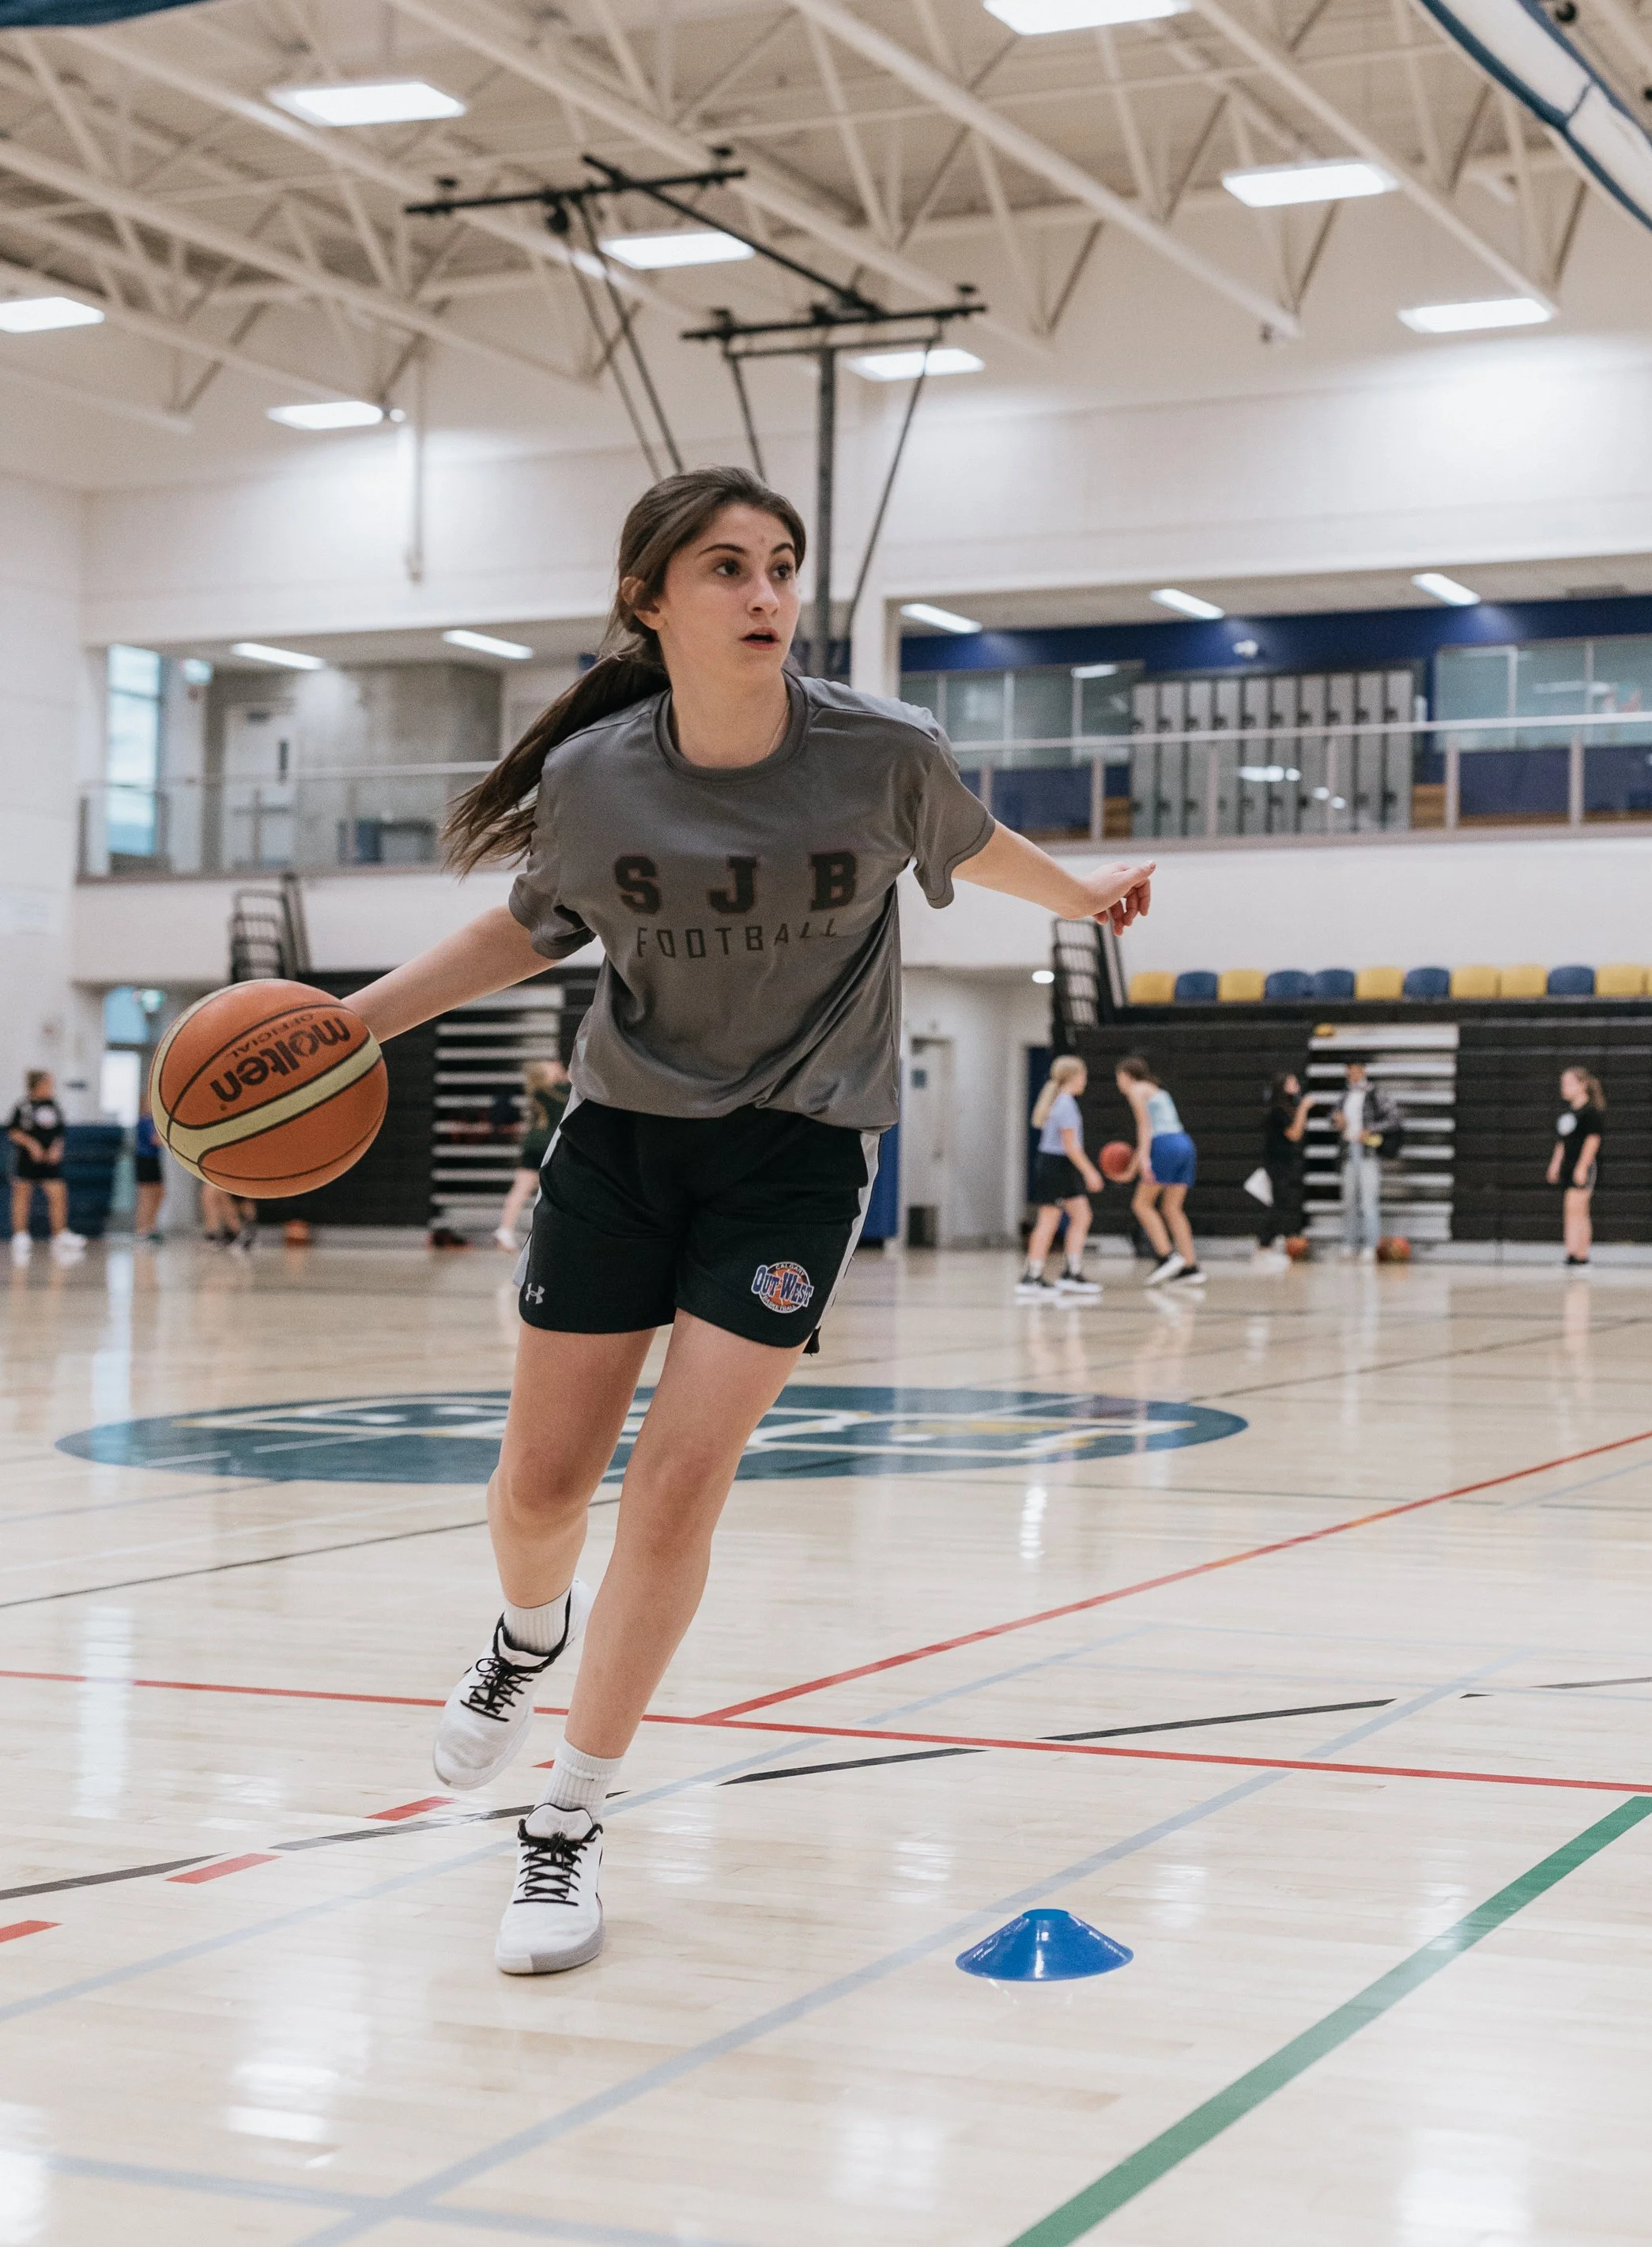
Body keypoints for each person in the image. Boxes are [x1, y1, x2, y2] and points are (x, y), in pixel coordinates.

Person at [339, 467, 1155, 1979]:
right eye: (728, 570)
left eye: (782, 567)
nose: (768, 595)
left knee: (674, 1491)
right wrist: (358, 1023)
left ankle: (570, 1819)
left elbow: (972, 846)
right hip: (625, 1141)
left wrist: (1088, 895)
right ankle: (525, 1640)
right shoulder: (597, 778)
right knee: (539, 1489)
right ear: (650, 602)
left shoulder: (881, 753)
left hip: (796, 1156)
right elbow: (526, 929)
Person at [1020, 1054, 1103, 1302]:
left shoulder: (1063, 1101)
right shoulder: (1065, 1104)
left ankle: (1072, 1272)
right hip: (1056, 1165)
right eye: (1083, 1075)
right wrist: (1090, 1171)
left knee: (1082, 1215)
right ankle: (1032, 1276)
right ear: (1074, 1076)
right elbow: (1071, 1147)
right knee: (1049, 1219)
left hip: (1061, 1166)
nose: (1085, 1080)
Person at [1115, 1054, 1201, 1288]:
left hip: (1163, 1145)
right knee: (1173, 1208)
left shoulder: (1136, 1090)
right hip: (1184, 1144)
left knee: (1141, 1205)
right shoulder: (1157, 1089)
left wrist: (1142, 1160)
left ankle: (1167, 1256)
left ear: (1126, 1076)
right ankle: (1190, 1267)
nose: (1118, 1085)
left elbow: (1145, 1127)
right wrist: (1132, 1169)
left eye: (1118, 1079)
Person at [495, 1058, 569, 1253]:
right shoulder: (553, 1091)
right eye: (550, 1066)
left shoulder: (541, 1091)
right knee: (547, 1190)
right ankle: (507, 1231)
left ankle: (505, 1230)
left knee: (522, 1188)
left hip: (534, 1144)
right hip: (545, 1146)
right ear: (545, 1075)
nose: (557, 1065)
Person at [9, 1072, 84, 1264]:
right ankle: (20, 1235)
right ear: (37, 1085)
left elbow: (60, 1132)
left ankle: (60, 1234)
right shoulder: (23, 1106)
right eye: (48, 1084)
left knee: (58, 1192)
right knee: (22, 1194)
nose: (51, 1088)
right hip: (27, 1160)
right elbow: (13, 1131)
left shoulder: (53, 1106)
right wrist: (31, 1144)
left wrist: (56, 1149)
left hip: (50, 1161)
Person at [1332, 1060, 1399, 1258]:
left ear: (1363, 1071)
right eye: (1349, 1072)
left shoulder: (1375, 1094)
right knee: (1349, 1200)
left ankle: (1371, 1244)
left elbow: (1394, 1118)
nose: (1352, 1076)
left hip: (1368, 1150)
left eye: (1355, 1071)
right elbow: (1333, 1118)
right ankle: (1349, 1242)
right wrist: (1338, 1122)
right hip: (1348, 1150)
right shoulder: (1345, 1096)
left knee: (1369, 1200)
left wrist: (1370, 1130)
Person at [1548, 1064, 1605, 1267]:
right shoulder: (1568, 1113)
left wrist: (1582, 1167)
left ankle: (1580, 1255)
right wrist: (1555, 1164)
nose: (1564, 1087)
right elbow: (1562, 1142)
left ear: (1582, 1085)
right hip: (1568, 1166)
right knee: (1571, 1209)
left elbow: (1593, 1141)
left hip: (1583, 1167)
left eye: (1569, 1083)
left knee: (1578, 1209)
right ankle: (1573, 1253)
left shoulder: (1591, 1113)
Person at [1259, 1069, 1312, 1255]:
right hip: (1277, 1162)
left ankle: (1271, 1240)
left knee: (1282, 1201)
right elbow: (1295, 1134)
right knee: (1279, 1202)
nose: (1297, 1087)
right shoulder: (1277, 1111)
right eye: (1292, 1083)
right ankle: (1264, 1244)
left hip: (1283, 1161)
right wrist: (1304, 1109)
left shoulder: (1287, 1108)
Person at [132, 1110, 164, 1242]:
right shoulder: (145, 1121)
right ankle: (141, 1230)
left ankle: (151, 1227)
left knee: (159, 1193)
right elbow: (155, 1140)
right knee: (146, 1196)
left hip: (153, 1159)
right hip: (144, 1160)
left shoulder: (154, 1121)